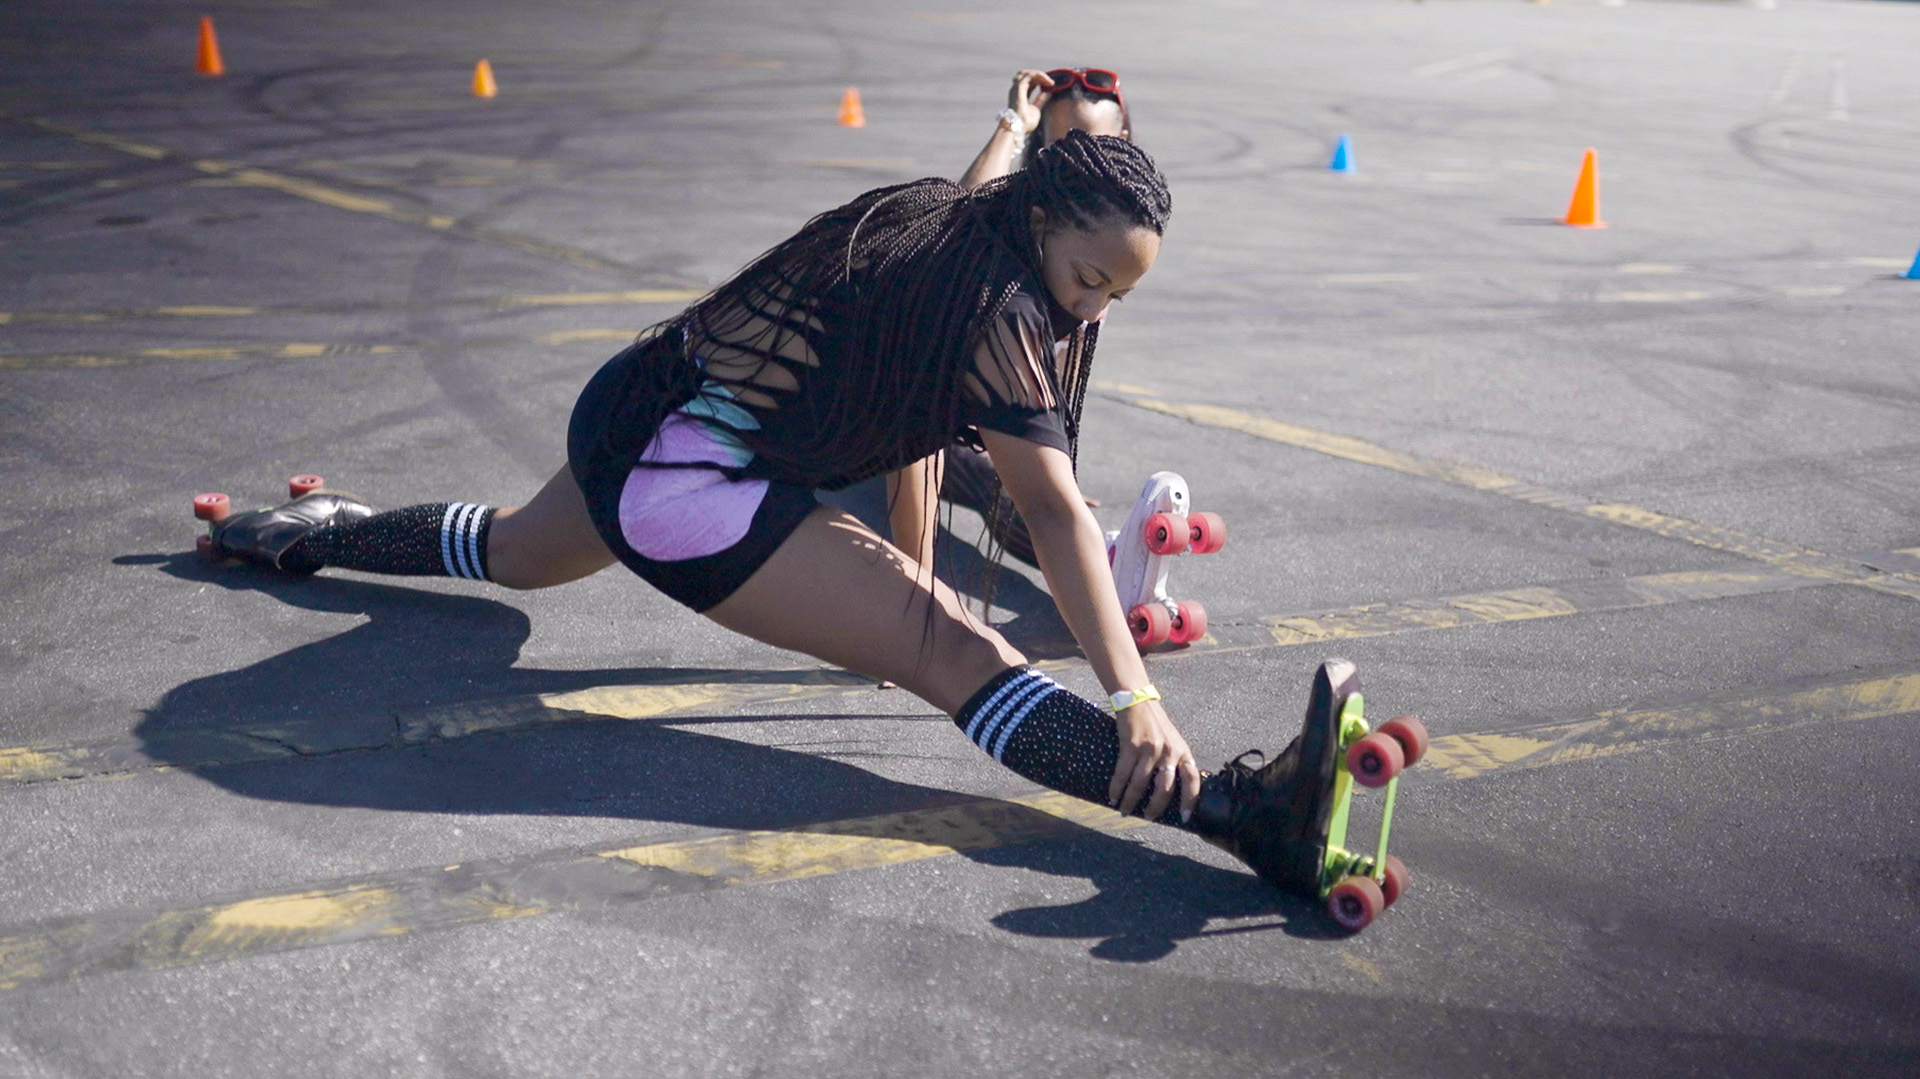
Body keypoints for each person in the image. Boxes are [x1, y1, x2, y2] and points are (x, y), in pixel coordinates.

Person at [194, 132, 1337, 896]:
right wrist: (1135, 698)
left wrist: (1009, 118)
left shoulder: (966, 223)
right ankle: (1240, 816)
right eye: (1090, 278)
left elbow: (922, 409)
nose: (1091, 308)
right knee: (954, 650)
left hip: (637, 408)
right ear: (1042, 226)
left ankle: (313, 533)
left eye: (1118, 295)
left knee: (515, 554)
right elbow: (1047, 509)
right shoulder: (998, 307)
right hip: (683, 474)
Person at [945, 68, 1132, 567]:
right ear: (1040, 147)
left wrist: (1059, 474)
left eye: (1092, 143)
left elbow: (1067, 372)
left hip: (991, 411)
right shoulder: (1021, 211)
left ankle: (1105, 565)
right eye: (1060, 143)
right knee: (1005, 491)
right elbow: (955, 216)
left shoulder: (1114, 238)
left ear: (1123, 143)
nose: (1079, 158)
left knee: (1046, 499)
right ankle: (1109, 570)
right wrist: (1014, 122)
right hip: (922, 407)